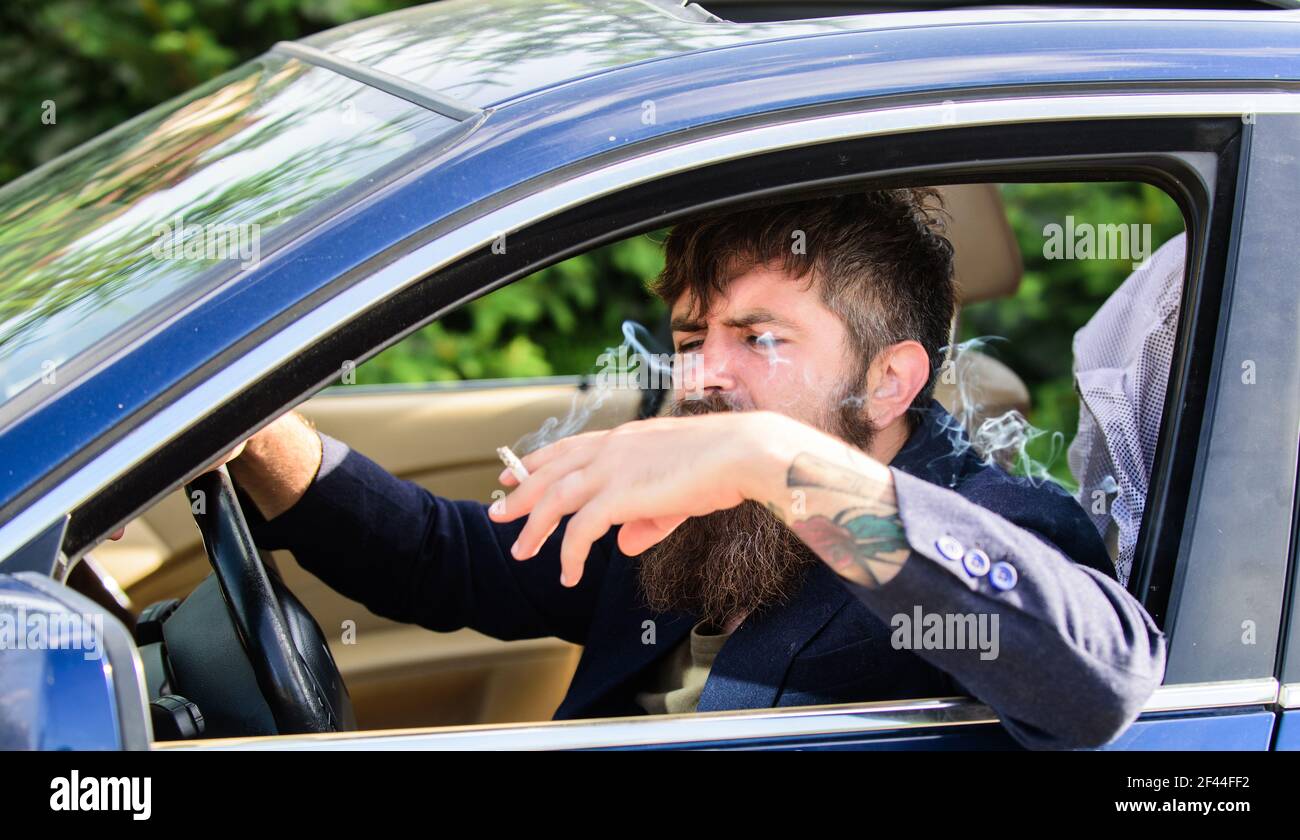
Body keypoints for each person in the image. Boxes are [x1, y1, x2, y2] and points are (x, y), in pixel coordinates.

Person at [224, 189, 1166, 749]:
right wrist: (250, 431)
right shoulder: (683, 510)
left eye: (759, 337)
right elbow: (445, 559)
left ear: (889, 380)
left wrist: (768, 459)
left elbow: (1099, 683)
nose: (702, 373)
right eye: (690, 336)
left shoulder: (986, 515)